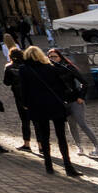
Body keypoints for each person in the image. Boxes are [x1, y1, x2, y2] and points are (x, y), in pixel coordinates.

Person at [20, 47, 81, 176]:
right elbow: (61, 85)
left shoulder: (24, 70)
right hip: (55, 104)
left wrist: (25, 104)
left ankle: (48, 165)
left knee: (44, 136)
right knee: (61, 136)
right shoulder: (50, 68)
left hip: (37, 106)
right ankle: (68, 165)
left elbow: (24, 89)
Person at [48, 49, 98, 158]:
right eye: (50, 57)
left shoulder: (68, 68)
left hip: (75, 99)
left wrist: (81, 96)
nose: (52, 59)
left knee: (82, 124)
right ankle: (79, 146)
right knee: (71, 125)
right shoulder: (50, 70)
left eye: (54, 56)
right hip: (63, 101)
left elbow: (84, 83)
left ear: (60, 57)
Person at [2, 48, 32, 152]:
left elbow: (6, 82)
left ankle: (27, 143)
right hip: (31, 94)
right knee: (37, 121)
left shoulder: (9, 67)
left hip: (19, 95)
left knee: (24, 120)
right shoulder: (29, 65)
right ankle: (41, 146)